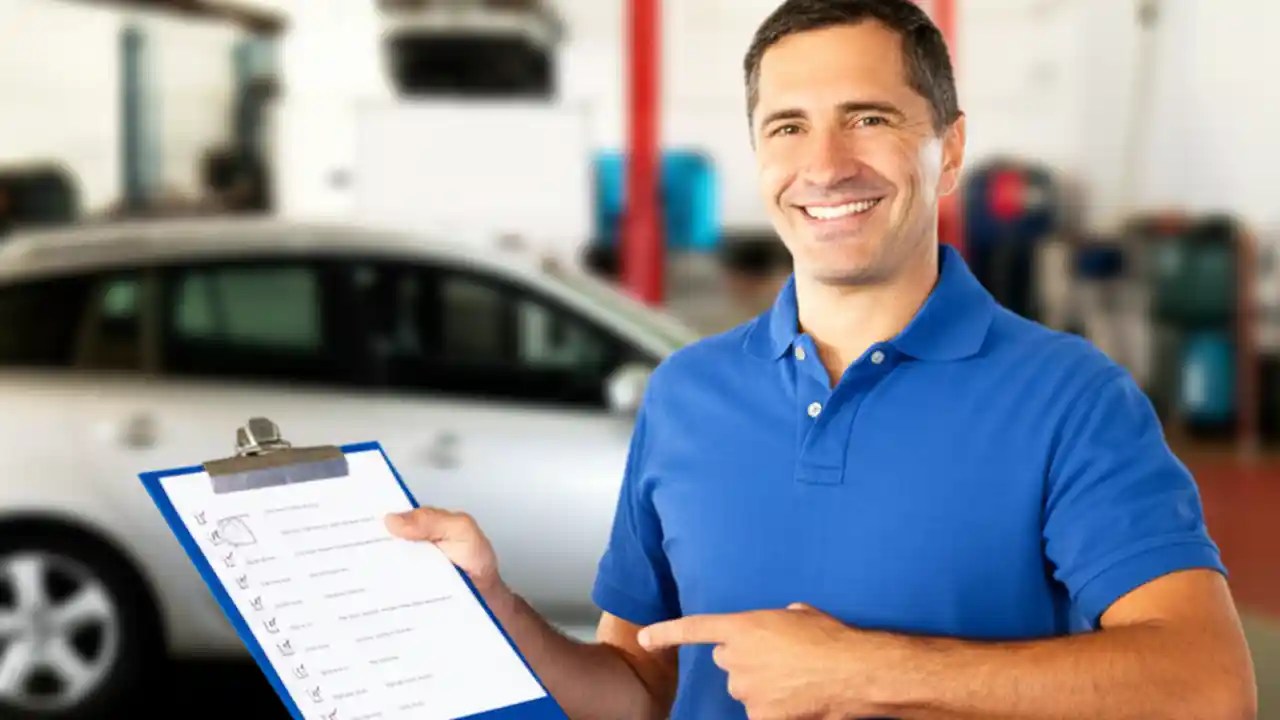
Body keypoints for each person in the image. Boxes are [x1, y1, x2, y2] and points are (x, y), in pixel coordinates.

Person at [387, 0, 1258, 717]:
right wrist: (496, 611)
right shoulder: (687, 392)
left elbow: (1205, 686)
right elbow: (645, 688)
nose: (826, 165)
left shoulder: (1071, 397)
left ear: (948, 150)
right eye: (789, 126)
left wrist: (865, 671)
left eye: (868, 119)